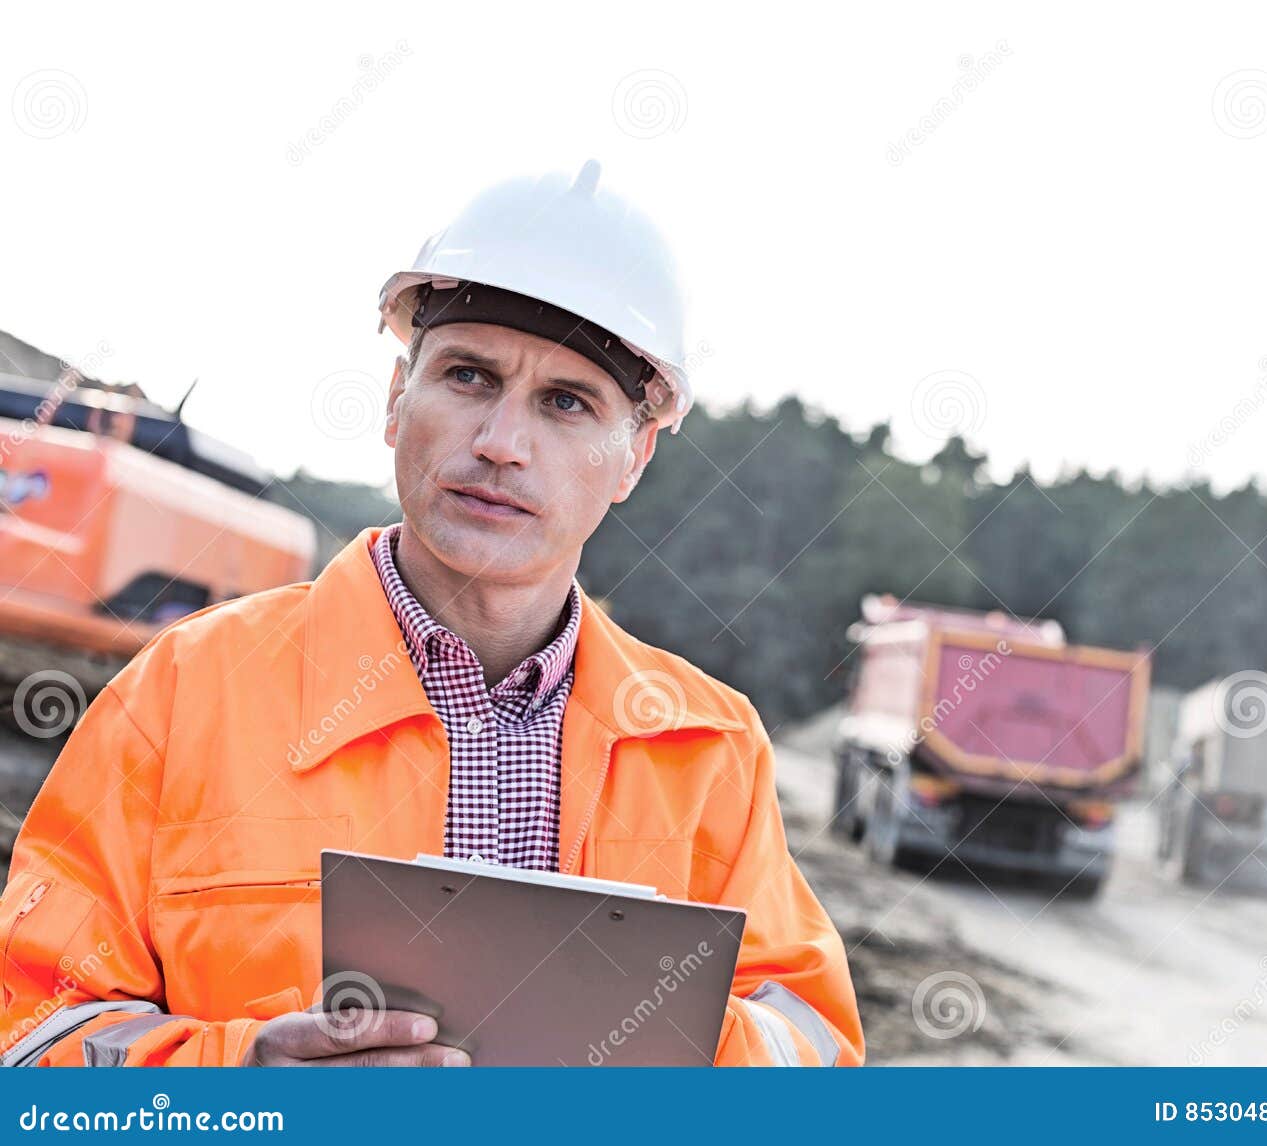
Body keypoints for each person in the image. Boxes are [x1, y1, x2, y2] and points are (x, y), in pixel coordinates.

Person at [0, 161, 863, 1068]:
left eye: (566, 403)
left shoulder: (711, 750)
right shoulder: (181, 697)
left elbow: (812, 1051)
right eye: (468, 376)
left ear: (633, 458)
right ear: (394, 401)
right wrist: (244, 1081)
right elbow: (31, 1048)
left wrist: (665, 1047)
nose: (500, 444)